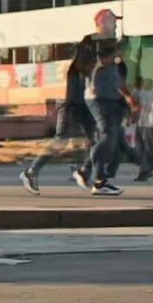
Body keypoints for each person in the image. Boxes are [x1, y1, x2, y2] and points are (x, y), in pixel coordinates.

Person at [19, 42, 104, 195]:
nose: (93, 66)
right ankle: (31, 172)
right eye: (92, 63)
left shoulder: (83, 73)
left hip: (79, 108)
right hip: (70, 108)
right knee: (60, 142)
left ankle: (85, 174)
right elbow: (73, 98)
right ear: (86, 61)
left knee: (94, 143)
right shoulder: (75, 71)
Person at [84, 42, 134, 194]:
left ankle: (99, 177)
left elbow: (119, 85)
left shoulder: (115, 67)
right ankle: (96, 178)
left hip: (110, 104)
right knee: (108, 137)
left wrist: (127, 100)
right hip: (103, 104)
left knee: (113, 141)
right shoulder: (101, 69)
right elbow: (106, 89)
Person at [127, 75, 153, 182]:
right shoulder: (149, 93)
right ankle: (151, 168)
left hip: (141, 122)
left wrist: (130, 119)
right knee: (146, 146)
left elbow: (136, 107)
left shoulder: (136, 93)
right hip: (149, 122)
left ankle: (145, 169)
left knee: (141, 147)